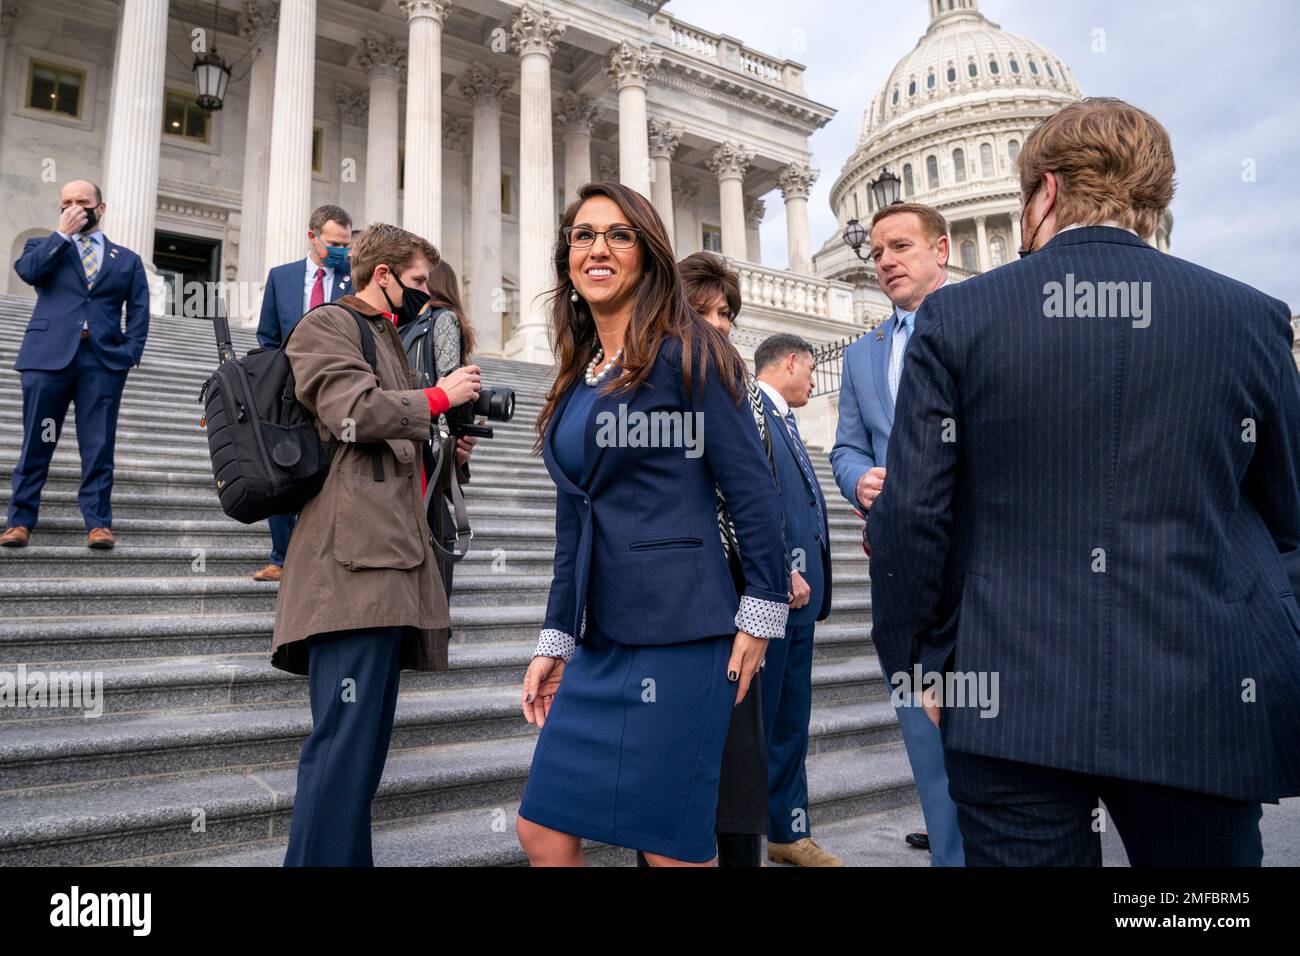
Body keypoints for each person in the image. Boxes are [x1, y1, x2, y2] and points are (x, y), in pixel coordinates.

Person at [868, 97, 1300, 866]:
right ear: (1155, 196)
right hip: (1201, 694)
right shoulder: (1250, 318)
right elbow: (1287, 518)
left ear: (1046, 193)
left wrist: (919, 668)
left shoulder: (959, 318)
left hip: (1008, 700)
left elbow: (911, 516)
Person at [515, 182, 790, 867]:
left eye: (619, 235)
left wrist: (762, 607)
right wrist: (556, 633)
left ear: (648, 255)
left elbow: (751, 489)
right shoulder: (580, 374)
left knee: (669, 846)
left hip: (682, 633)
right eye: (583, 235)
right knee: (541, 829)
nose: (597, 248)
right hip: (603, 640)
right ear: (567, 259)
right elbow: (575, 514)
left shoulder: (688, 351)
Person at [274, 223, 481, 866]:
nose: (426, 294)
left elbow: (400, 428)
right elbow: (352, 412)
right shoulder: (327, 325)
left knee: (361, 755)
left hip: (390, 560)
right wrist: (440, 397)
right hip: (350, 567)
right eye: (418, 281)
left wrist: (448, 438)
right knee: (342, 748)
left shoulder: (392, 339)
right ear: (383, 273)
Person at [829, 201, 965, 866]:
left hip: (983, 563)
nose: (885, 261)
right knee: (923, 732)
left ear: (941, 250)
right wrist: (858, 481)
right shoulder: (861, 355)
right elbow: (846, 447)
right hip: (902, 576)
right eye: (877, 251)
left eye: (901, 247)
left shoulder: (987, 320)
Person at [629, 250, 773, 868]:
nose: (719, 324)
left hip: (730, 596)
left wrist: (763, 592)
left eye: (728, 313)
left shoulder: (741, 388)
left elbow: (755, 495)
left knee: (734, 771)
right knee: (662, 776)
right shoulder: (641, 384)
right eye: (704, 310)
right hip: (660, 599)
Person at [3, 180, 149, 550]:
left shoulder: (127, 259)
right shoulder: (44, 246)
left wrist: (129, 352)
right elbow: (29, 273)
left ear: (101, 207)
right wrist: (61, 236)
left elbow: (139, 311)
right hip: (47, 359)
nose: (73, 207)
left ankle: (98, 523)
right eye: (66, 202)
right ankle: (20, 520)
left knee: (98, 444)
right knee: (38, 440)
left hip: (100, 363)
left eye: (82, 202)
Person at [753, 333, 840, 866]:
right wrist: (780, 566)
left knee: (790, 719)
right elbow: (753, 497)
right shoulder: (752, 411)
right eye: (810, 370)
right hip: (774, 593)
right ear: (790, 362)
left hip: (802, 601)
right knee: (764, 720)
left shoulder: (786, 418)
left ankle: (788, 830)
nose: (814, 380)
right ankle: (742, 835)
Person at [250, 204, 354, 582]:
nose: (343, 250)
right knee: (281, 469)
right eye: (334, 243)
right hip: (288, 392)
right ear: (312, 237)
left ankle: (320, 557)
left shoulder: (353, 280)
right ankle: (281, 557)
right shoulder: (283, 277)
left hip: (336, 392)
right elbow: (267, 337)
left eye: (347, 243)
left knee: (326, 474)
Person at [398, 258, 480, 599]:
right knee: (435, 530)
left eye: (421, 279)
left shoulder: (423, 323)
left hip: (419, 430)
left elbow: (446, 378)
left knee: (430, 528)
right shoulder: (427, 322)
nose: (415, 287)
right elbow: (450, 380)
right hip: (425, 431)